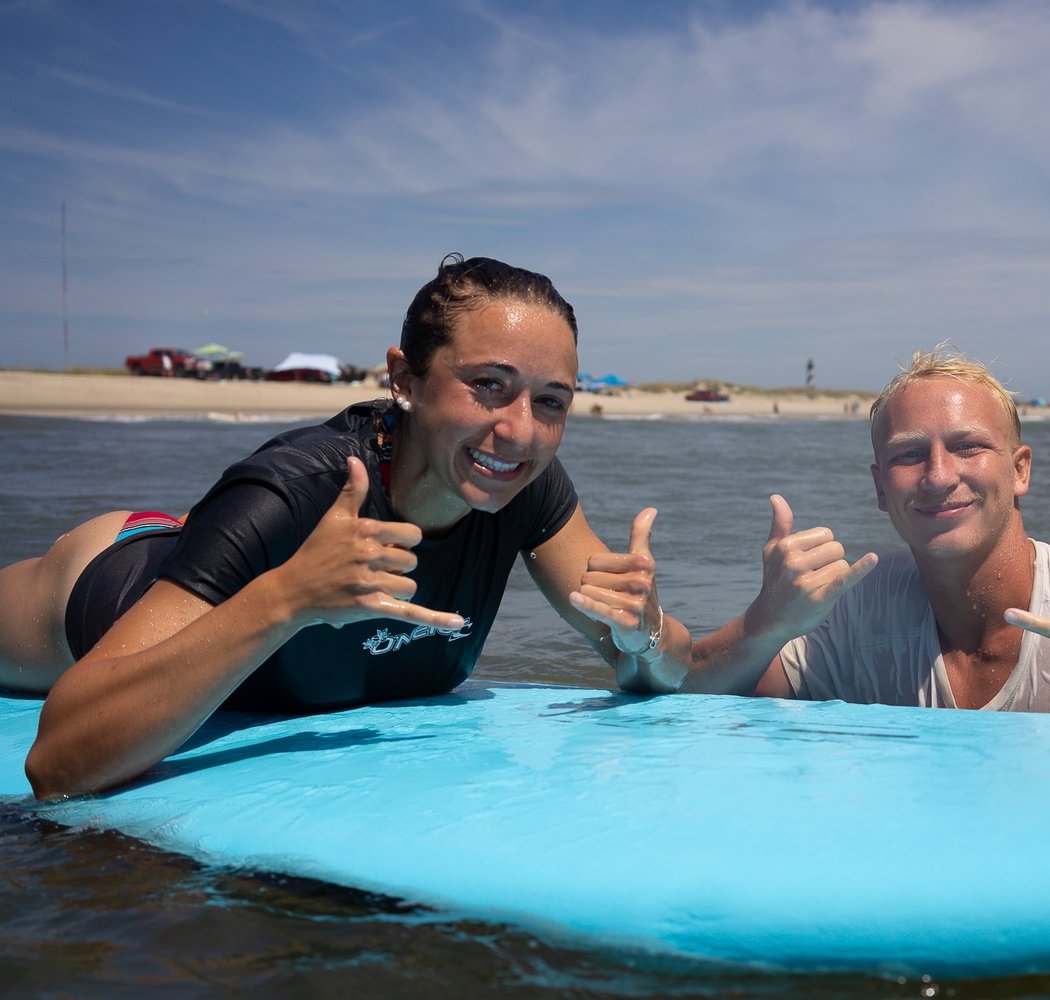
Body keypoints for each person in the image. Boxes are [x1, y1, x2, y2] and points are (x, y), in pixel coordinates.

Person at [1, 255, 689, 799]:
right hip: (96, 584)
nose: (519, 431)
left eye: (551, 401)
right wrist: (285, 600)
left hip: (206, 541)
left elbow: (671, 664)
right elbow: (57, 765)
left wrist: (646, 634)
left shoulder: (521, 490)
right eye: (488, 384)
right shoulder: (299, 492)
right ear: (404, 379)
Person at [685, 345, 1050, 717]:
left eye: (968, 447)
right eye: (909, 455)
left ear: (1020, 471)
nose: (939, 477)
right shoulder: (855, 613)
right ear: (879, 488)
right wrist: (764, 622)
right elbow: (696, 700)